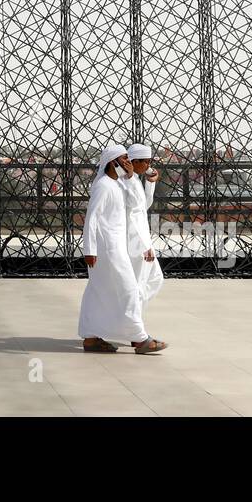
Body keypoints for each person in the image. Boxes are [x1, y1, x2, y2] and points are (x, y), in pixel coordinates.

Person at [78, 144, 167, 355]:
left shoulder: (115, 184)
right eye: (125, 159)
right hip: (108, 249)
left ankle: (91, 338)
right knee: (128, 290)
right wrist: (89, 249)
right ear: (113, 162)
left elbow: (137, 207)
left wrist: (138, 180)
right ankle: (139, 339)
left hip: (114, 247)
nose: (128, 162)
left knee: (98, 291)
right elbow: (92, 218)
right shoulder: (104, 186)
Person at [122, 143, 164, 304]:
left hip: (141, 240)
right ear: (135, 162)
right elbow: (130, 218)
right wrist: (144, 246)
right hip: (134, 241)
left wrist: (151, 183)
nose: (148, 165)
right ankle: (133, 322)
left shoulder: (134, 181)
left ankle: (132, 317)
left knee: (154, 279)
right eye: (146, 161)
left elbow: (143, 206)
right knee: (138, 283)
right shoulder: (126, 182)